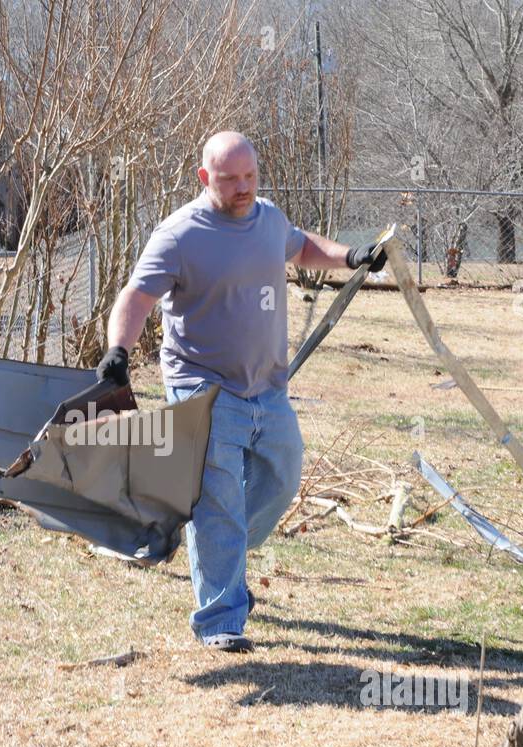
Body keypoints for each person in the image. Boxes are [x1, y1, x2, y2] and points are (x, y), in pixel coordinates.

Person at [96, 130, 386, 652]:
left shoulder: (268, 219)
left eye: (250, 176)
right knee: (219, 500)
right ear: (206, 178)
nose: (243, 188)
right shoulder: (180, 235)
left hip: (267, 388)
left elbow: (301, 247)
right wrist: (118, 351)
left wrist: (352, 256)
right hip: (201, 386)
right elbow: (136, 297)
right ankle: (221, 622)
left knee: (282, 476)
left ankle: (216, 549)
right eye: (231, 179)